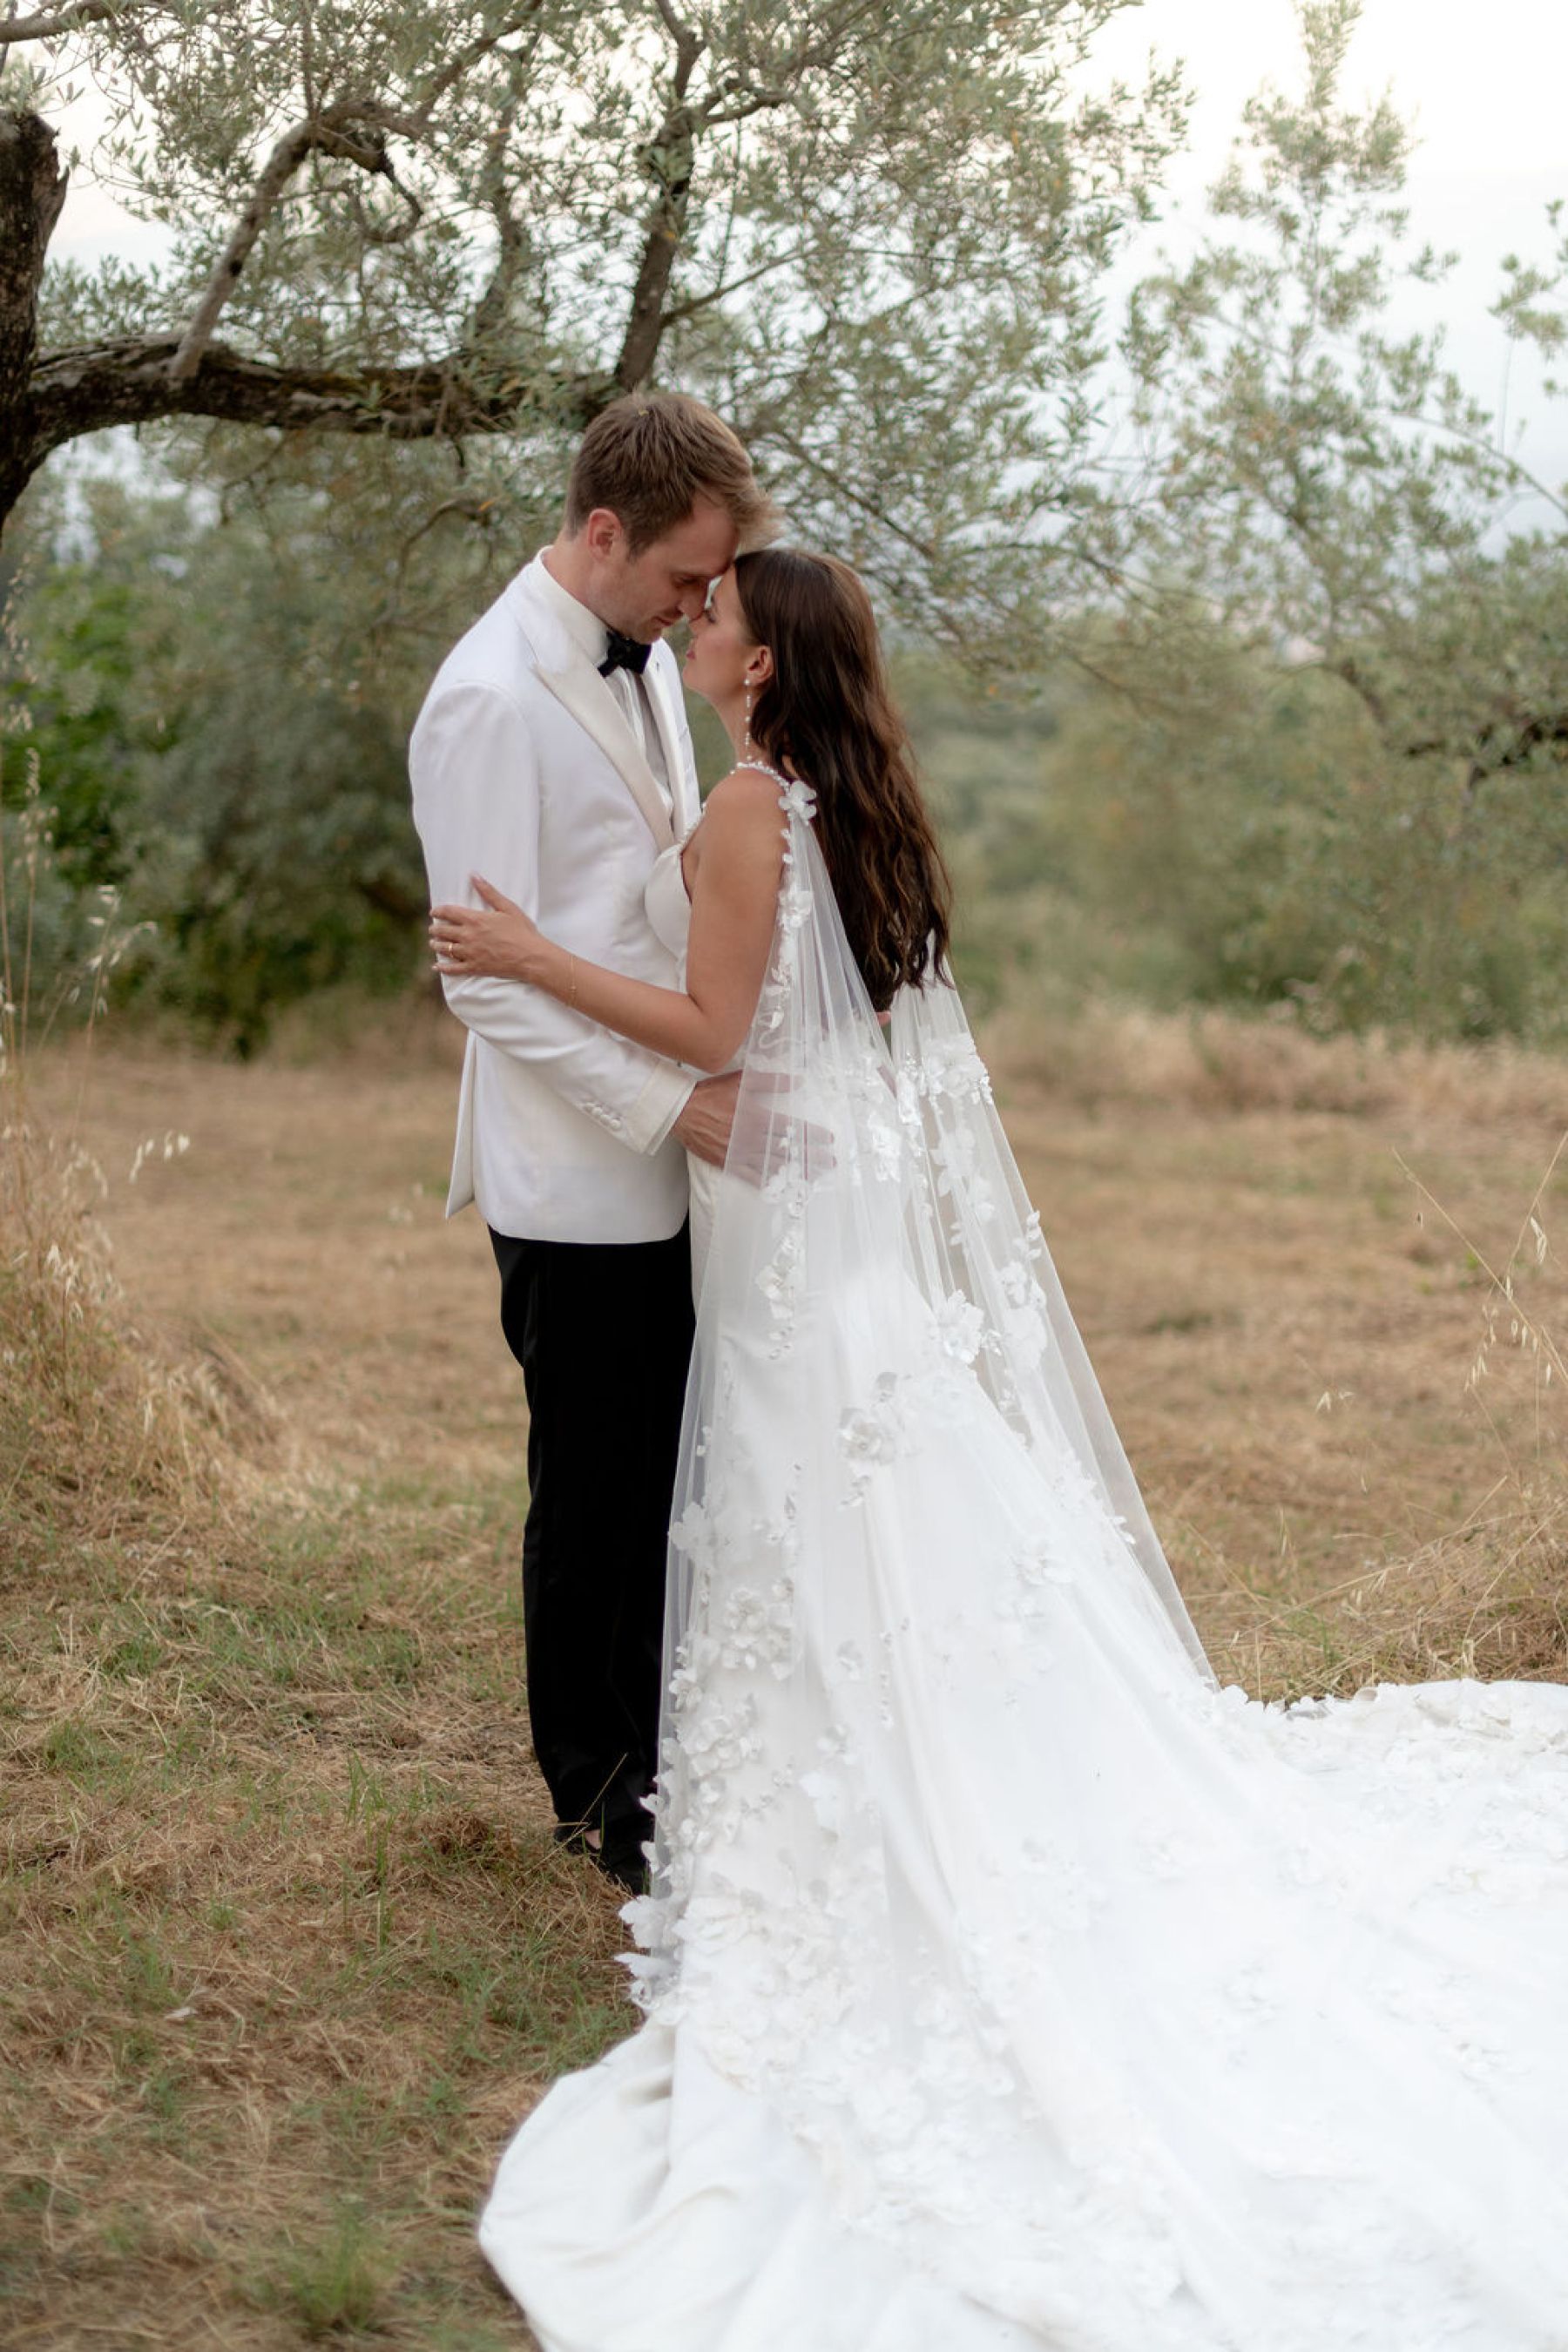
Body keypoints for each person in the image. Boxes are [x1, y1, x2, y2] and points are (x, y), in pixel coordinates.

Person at [432, 550, 1568, 2352]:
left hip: (793, 1243)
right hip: (839, 1226)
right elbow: (833, 1024)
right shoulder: (842, 803)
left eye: (719, 607)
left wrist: (525, 955)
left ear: (758, 663)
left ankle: (883, 1801)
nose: (697, 614)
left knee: (821, 1507)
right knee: (889, 1514)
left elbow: (714, 1031)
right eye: (693, 592)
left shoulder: (752, 808)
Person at [409, 393, 775, 1894]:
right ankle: (599, 1800)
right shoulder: (487, 701)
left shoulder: (646, 663)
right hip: (572, 1167)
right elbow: (481, 981)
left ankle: (662, 1758)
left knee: (658, 1481)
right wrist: (671, 1102)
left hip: (679, 1147)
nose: (699, 609)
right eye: (686, 579)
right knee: (592, 1492)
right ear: (606, 532)